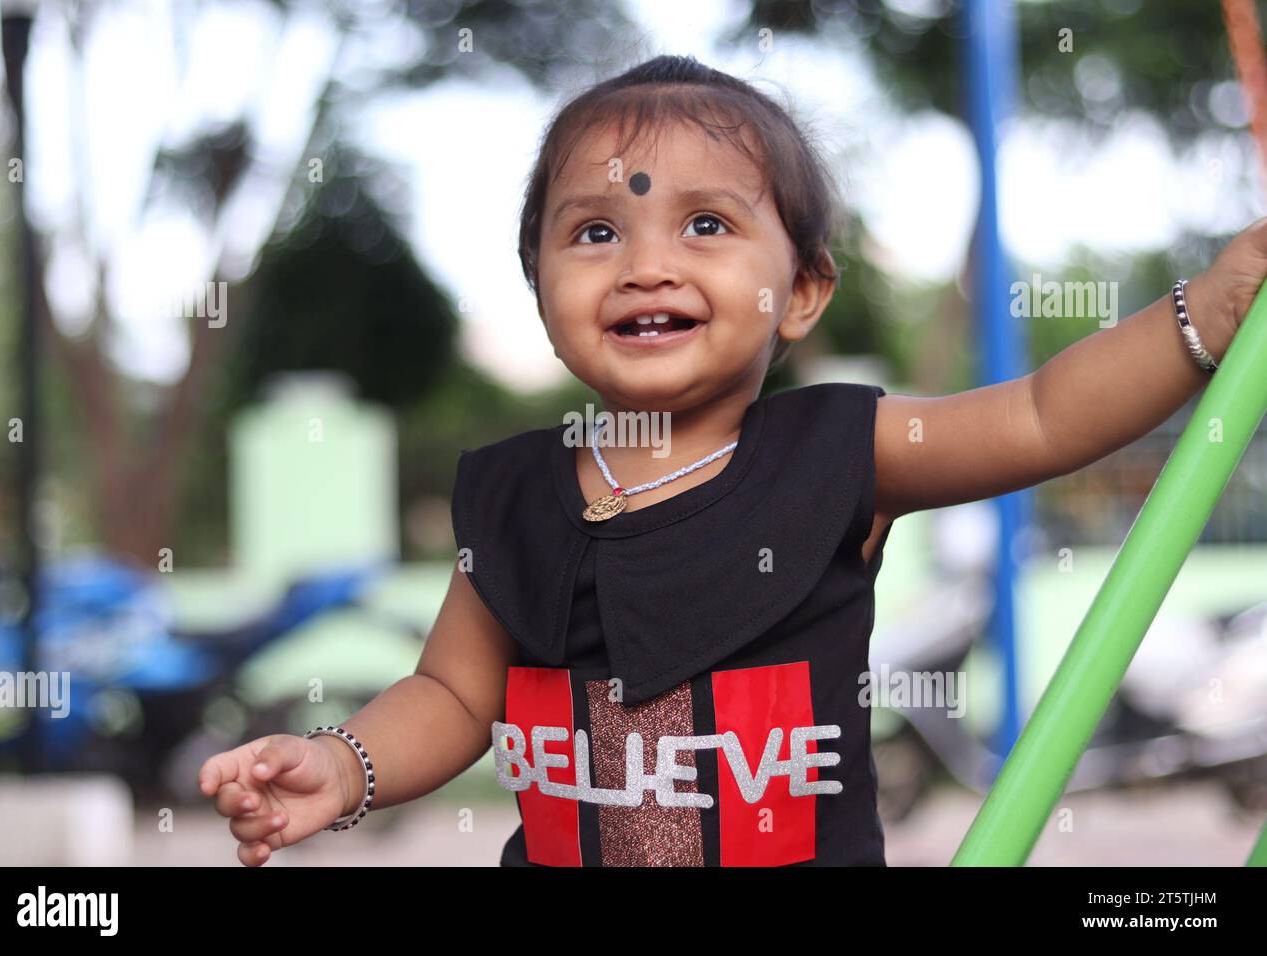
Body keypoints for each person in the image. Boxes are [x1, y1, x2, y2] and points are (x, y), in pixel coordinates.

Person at [198, 54, 1267, 867]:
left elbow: (1039, 413)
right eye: (594, 233)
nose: (646, 262)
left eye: (704, 222)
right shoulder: (515, 494)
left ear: (799, 291)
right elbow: (446, 690)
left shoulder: (842, 452)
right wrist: (344, 762)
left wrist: (1203, 312)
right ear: (540, 286)